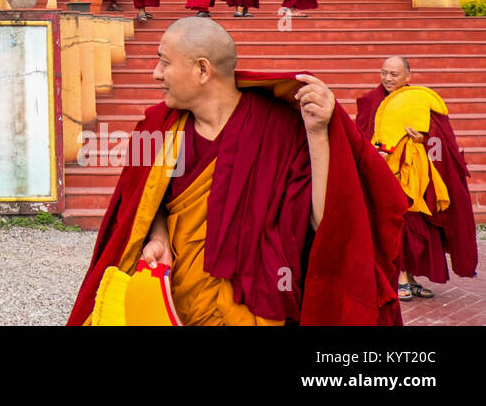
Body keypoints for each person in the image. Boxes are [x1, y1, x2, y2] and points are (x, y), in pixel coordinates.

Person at [68, 18, 406, 326]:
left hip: (257, 307)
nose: (156, 73)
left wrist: (317, 134)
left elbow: (322, 223)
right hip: (177, 302)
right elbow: (141, 207)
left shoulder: (280, 126)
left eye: (165, 62)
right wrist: (158, 237)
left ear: (202, 70)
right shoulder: (155, 128)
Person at [355, 57, 478, 300]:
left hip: (417, 175)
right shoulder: (371, 101)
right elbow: (361, 136)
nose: (388, 79)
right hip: (386, 175)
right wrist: (373, 151)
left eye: (394, 74)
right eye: (384, 73)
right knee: (397, 223)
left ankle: (409, 278)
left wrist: (422, 139)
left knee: (416, 226)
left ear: (408, 77)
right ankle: (399, 278)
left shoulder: (422, 101)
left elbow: (443, 141)